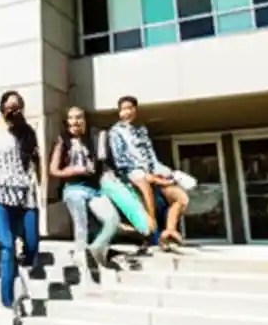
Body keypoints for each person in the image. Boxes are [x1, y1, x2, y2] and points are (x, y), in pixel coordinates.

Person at [0, 90, 41, 325]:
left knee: (32, 245)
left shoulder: (28, 132)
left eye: (18, 106)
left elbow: (35, 163)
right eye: (9, 106)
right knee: (5, 247)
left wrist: (41, 193)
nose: (13, 110)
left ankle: (22, 279)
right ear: (2, 108)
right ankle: (6, 307)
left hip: (25, 194)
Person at [107, 96, 190, 248]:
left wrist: (163, 172)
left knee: (180, 196)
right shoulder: (115, 132)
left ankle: (170, 232)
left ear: (135, 110)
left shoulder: (142, 130)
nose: (127, 112)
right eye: (124, 109)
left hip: (150, 170)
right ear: (119, 112)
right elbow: (120, 160)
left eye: (130, 108)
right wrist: (145, 175)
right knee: (146, 186)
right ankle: (151, 230)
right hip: (131, 171)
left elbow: (151, 157)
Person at [51, 106, 120, 281]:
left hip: (94, 189)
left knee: (113, 219)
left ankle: (97, 248)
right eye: (71, 118)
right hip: (73, 189)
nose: (75, 121)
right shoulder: (62, 141)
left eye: (79, 117)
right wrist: (75, 170)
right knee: (81, 223)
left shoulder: (93, 139)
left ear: (85, 120)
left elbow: (102, 162)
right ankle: (81, 256)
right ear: (67, 122)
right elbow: (54, 170)